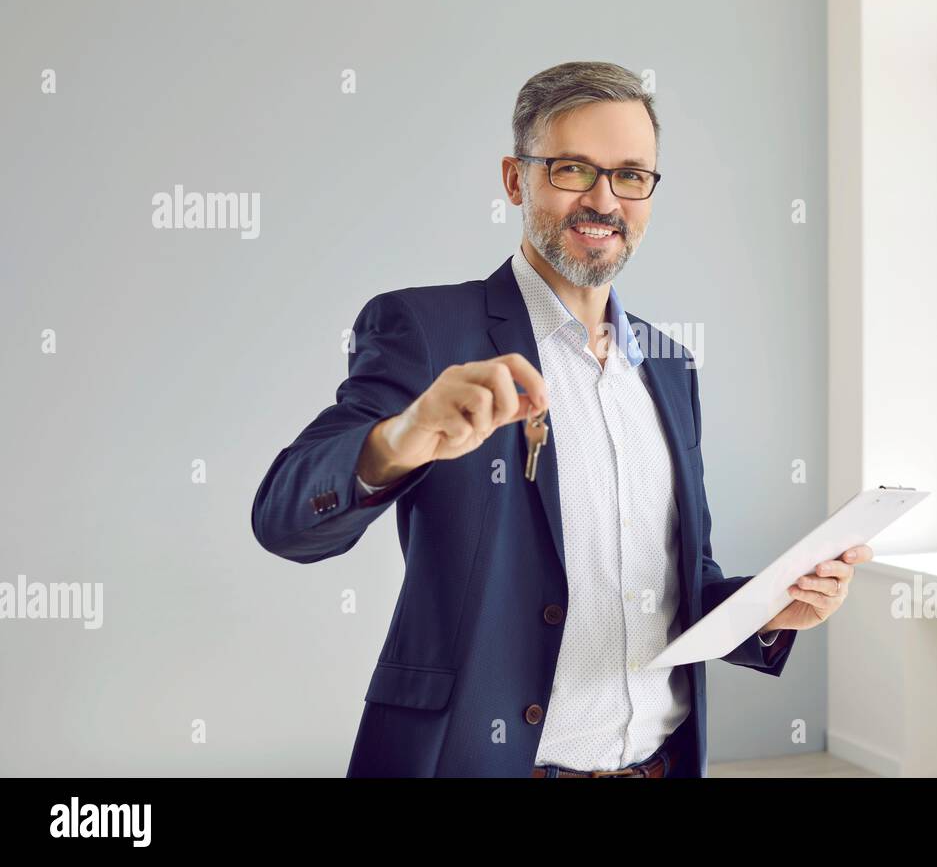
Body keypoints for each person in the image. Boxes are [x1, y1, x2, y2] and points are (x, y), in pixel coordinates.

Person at [250, 60, 872, 777]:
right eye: (574, 169)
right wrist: (399, 439)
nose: (604, 201)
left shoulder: (670, 367)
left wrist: (766, 612)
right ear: (516, 180)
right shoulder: (427, 331)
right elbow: (284, 520)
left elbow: (678, 584)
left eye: (631, 175)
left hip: (661, 764)